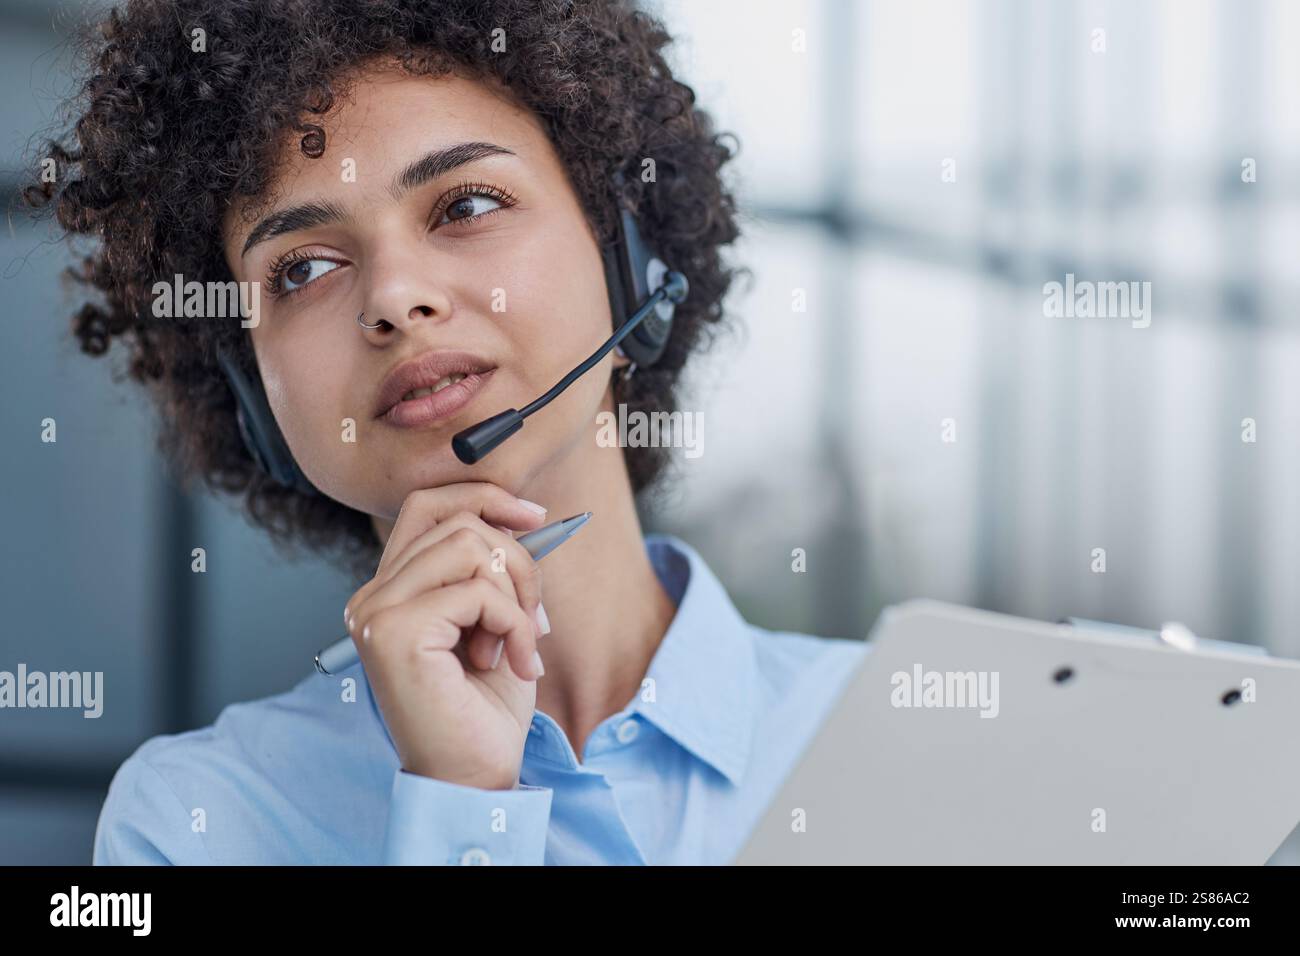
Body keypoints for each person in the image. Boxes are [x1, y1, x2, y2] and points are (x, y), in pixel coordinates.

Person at [27, 0, 867, 864]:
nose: (393, 296)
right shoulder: (200, 820)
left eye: (464, 204)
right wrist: (461, 806)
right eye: (303, 268)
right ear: (249, 387)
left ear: (632, 256)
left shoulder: (886, 733)